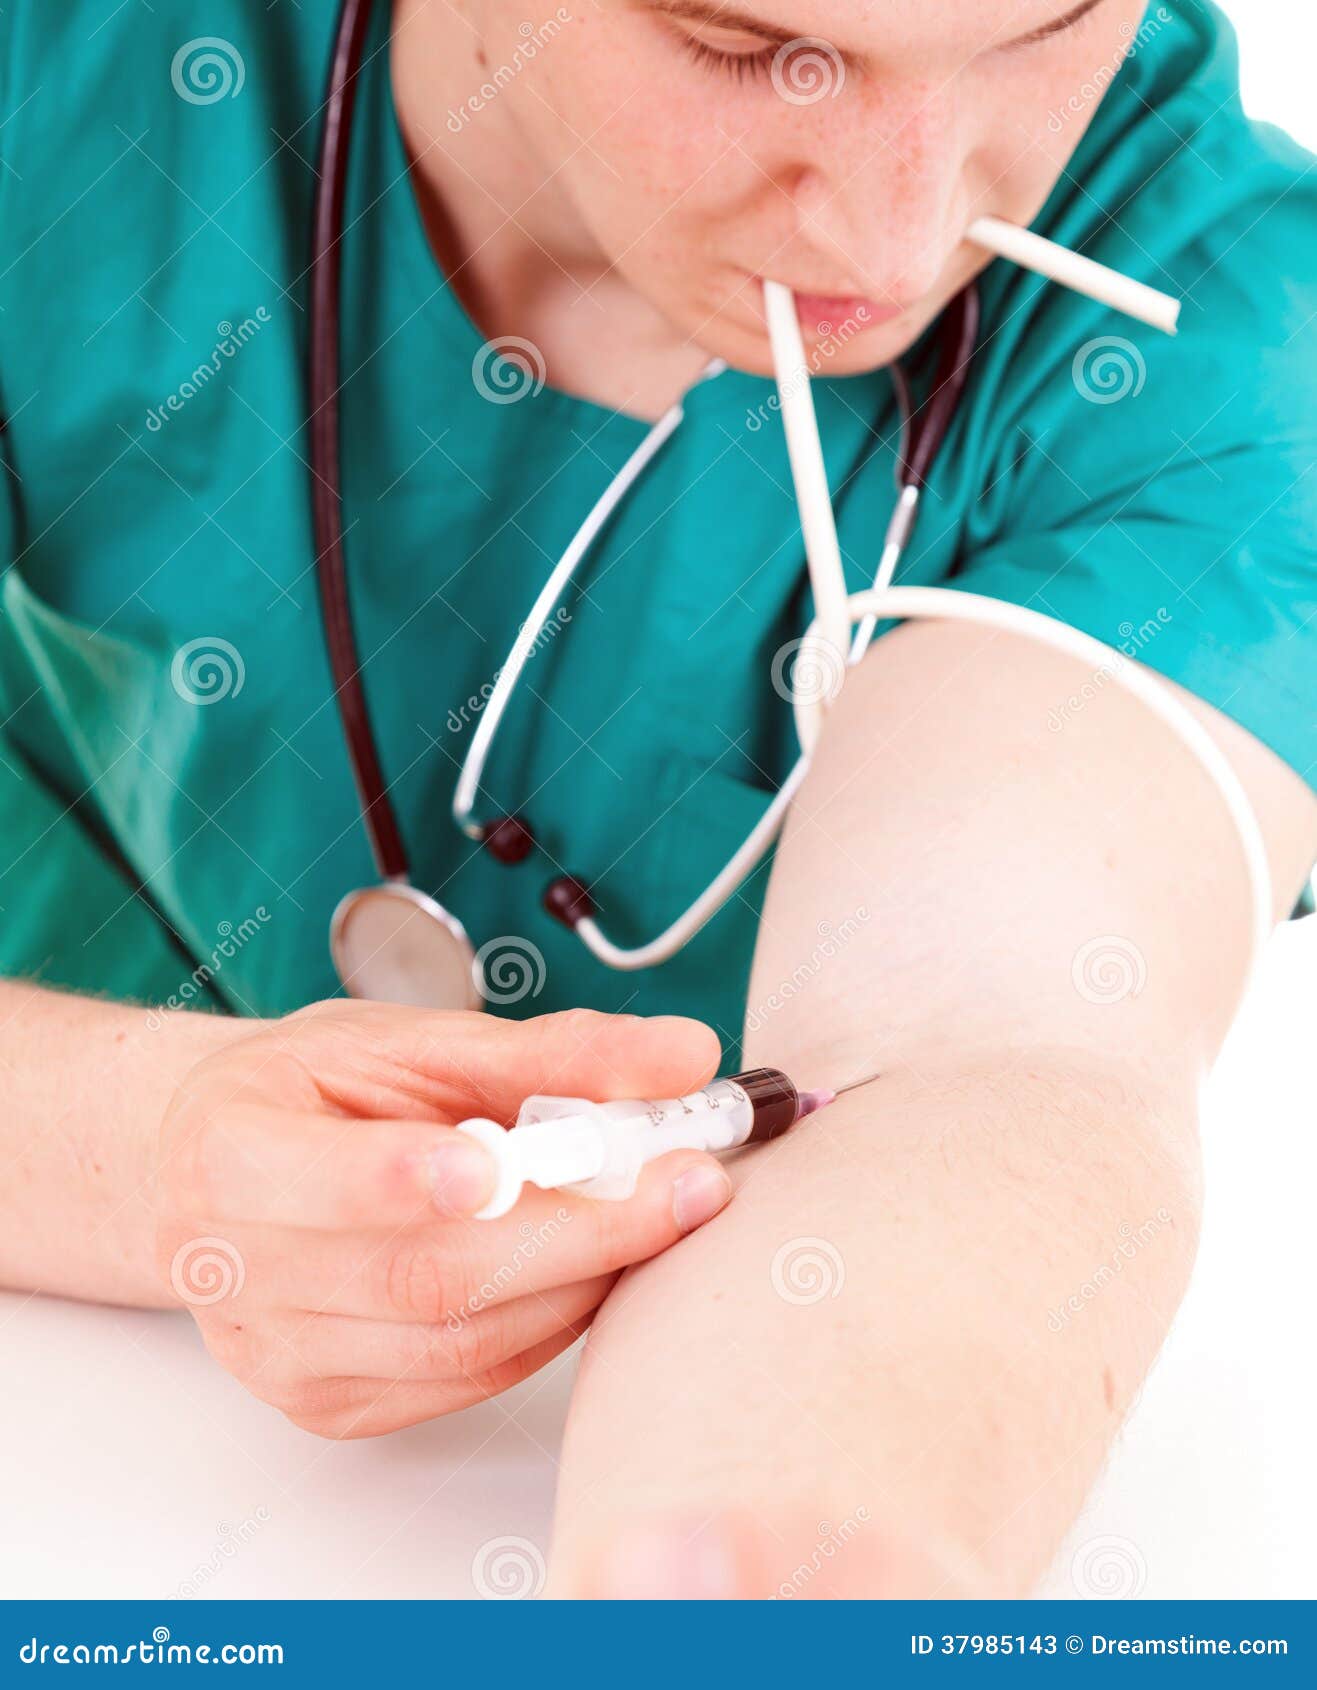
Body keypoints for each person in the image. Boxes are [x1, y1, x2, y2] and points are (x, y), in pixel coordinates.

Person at [0, 0, 1314, 1599]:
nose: (897, 232)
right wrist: (137, 1149)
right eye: (741, 44)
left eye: (1040, 31)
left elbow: (987, 1045)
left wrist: (755, 1571)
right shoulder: (74, 81)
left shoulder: (1222, 333)